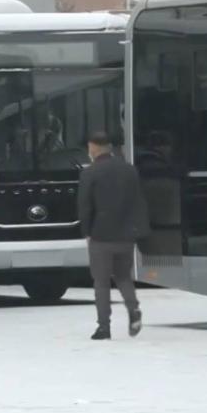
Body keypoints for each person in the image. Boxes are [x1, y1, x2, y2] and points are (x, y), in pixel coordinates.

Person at [77, 131, 150, 340]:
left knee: (101, 283)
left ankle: (104, 327)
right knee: (124, 277)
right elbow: (138, 201)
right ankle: (133, 310)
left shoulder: (90, 173)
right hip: (126, 236)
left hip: (101, 236)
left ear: (93, 148)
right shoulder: (129, 170)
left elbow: (85, 206)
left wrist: (87, 231)